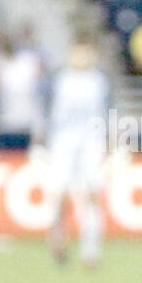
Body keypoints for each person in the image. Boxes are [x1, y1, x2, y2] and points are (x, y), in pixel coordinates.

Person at [39, 35, 111, 268]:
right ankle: (58, 236)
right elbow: (44, 111)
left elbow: (110, 111)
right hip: (62, 141)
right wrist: (40, 137)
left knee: (91, 192)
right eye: (78, 52)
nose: (83, 58)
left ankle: (91, 250)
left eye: (87, 53)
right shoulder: (58, 79)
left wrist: (113, 138)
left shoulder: (100, 81)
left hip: (92, 141)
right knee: (59, 192)